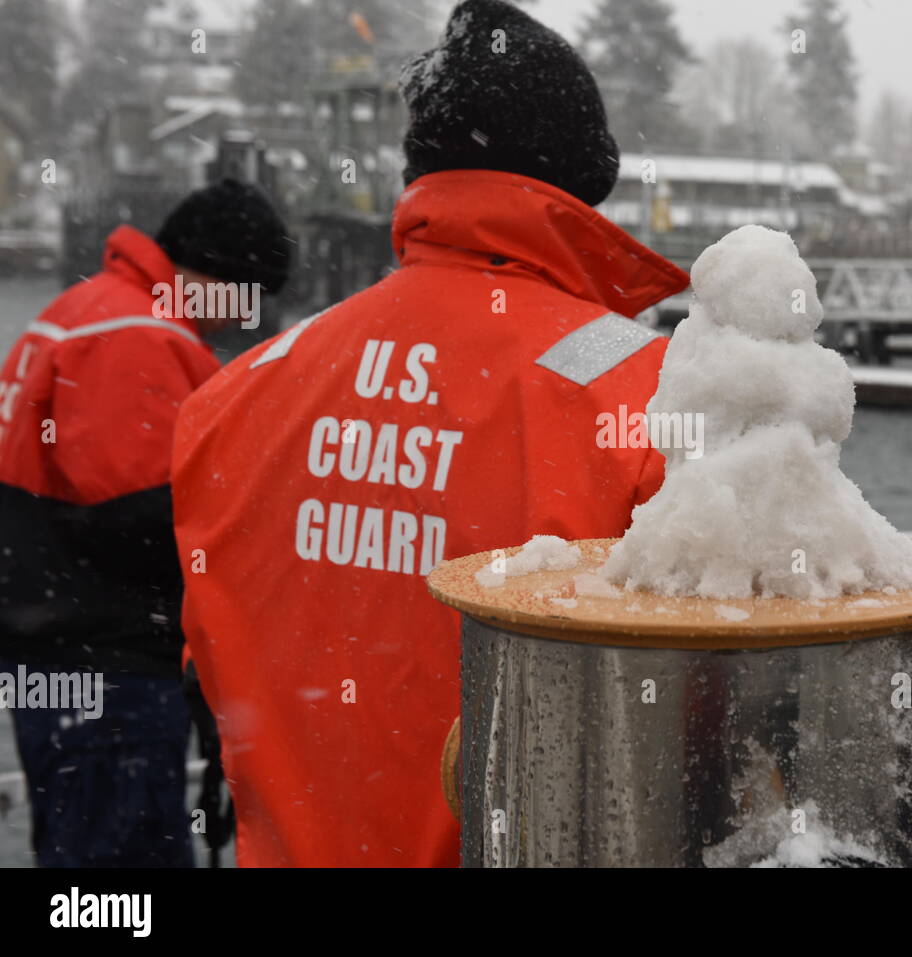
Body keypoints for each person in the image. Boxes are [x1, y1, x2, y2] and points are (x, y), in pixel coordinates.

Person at [171, 0, 690, 868]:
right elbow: (705, 725)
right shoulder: (648, 386)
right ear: (581, 185)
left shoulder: (235, 394)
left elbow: (210, 659)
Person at [0, 179, 291, 866]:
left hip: (55, 654)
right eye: (242, 298)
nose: (239, 322)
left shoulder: (79, 310)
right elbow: (142, 516)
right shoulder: (138, 337)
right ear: (211, 274)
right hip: (110, 673)